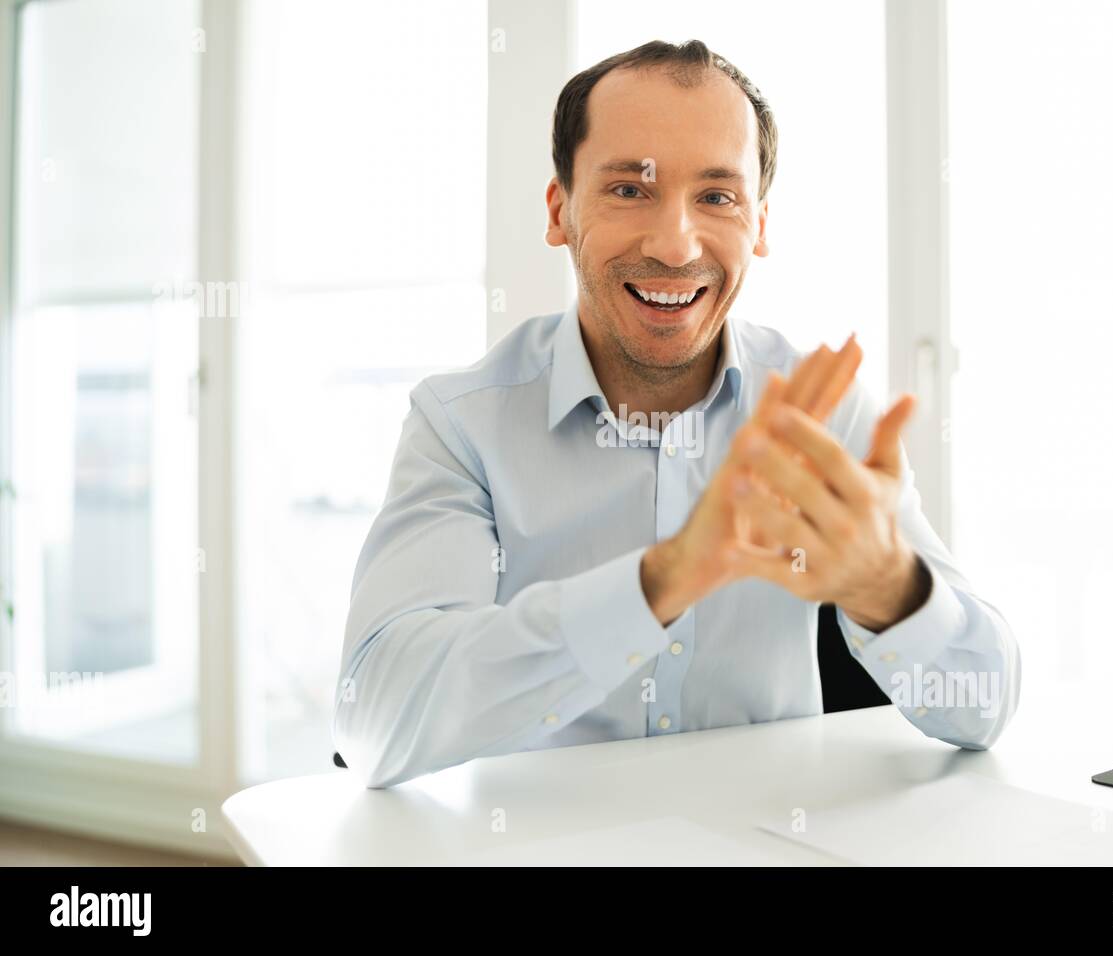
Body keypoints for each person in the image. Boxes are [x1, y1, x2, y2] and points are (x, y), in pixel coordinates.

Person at [333, 40, 1020, 788]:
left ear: (758, 223)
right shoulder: (461, 425)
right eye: (630, 189)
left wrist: (887, 585)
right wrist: (664, 578)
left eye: (717, 197)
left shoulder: (822, 414)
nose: (674, 244)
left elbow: (982, 711)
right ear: (561, 210)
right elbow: (373, 723)